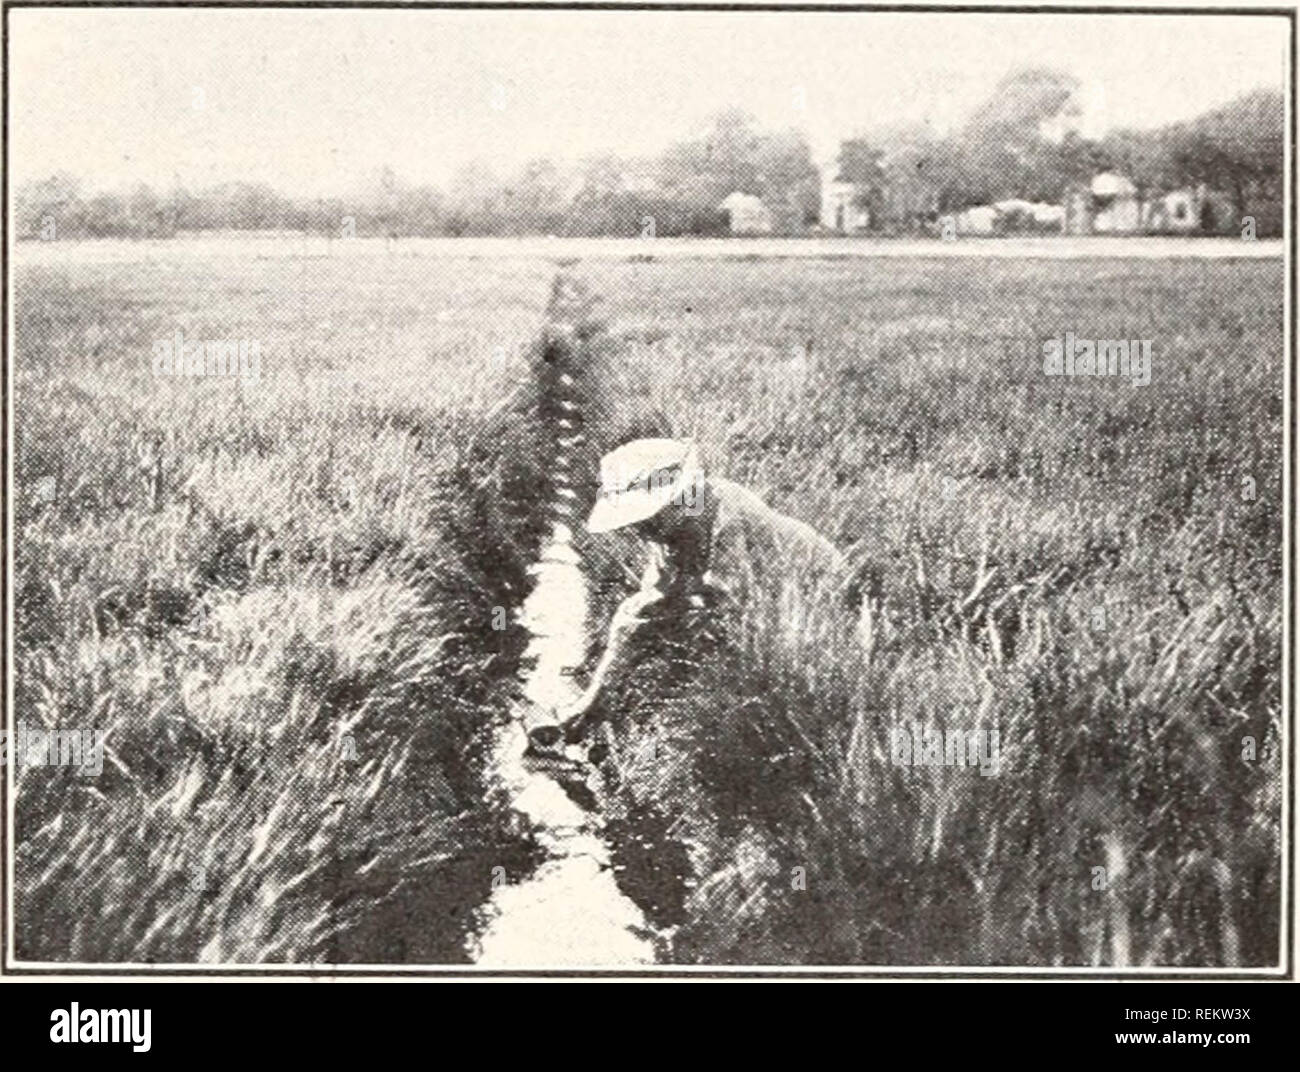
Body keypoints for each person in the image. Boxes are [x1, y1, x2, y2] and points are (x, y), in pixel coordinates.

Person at [526, 437, 851, 757]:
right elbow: (657, 590)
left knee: (706, 636)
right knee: (633, 618)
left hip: (812, 588)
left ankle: (661, 724)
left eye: (647, 518)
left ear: (677, 498)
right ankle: (591, 710)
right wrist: (633, 628)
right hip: (758, 595)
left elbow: (728, 598)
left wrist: (668, 618)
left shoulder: (725, 513)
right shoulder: (669, 525)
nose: (641, 529)